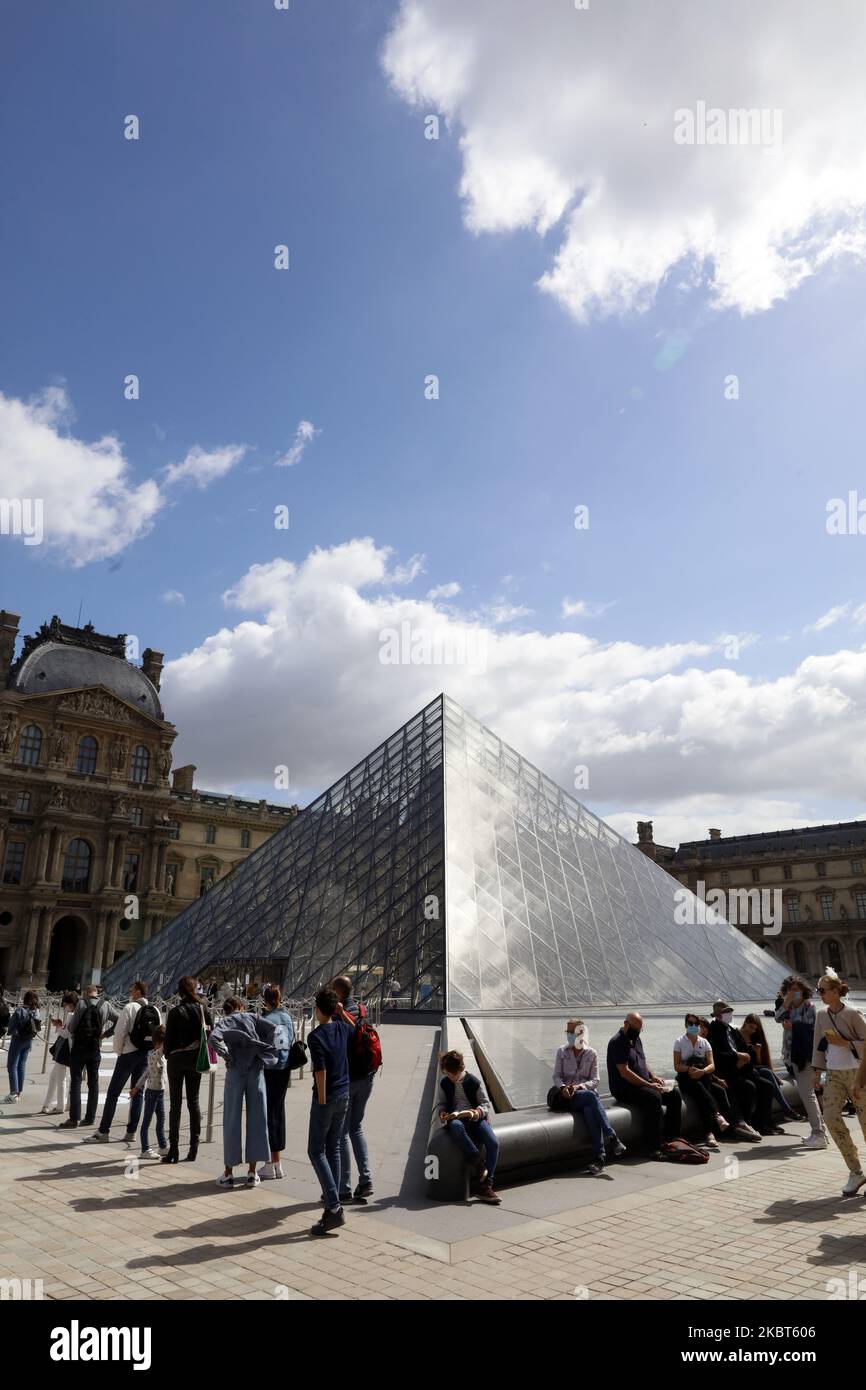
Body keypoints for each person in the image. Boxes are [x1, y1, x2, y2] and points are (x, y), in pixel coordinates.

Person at [209, 997, 276, 1188]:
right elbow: (272, 1029)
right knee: (257, 1119)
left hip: (235, 1070)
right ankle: (252, 1172)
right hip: (255, 1069)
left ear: (226, 1010)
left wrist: (227, 1056)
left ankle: (229, 1173)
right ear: (242, 1006)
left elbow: (213, 1038)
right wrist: (264, 1050)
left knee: (231, 1120)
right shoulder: (254, 1017)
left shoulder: (226, 1021)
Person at [83, 981, 158, 1146]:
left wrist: (119, 1051)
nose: (130, 991)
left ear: (138, 991)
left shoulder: (130, 1008)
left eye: (132, 989)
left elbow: (119, 1032)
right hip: (145, 1054)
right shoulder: (155, 1010)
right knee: (138, 1093)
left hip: (128, 1055)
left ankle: (103, 1131)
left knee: (113, 1093)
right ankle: (131, 1132)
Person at [812, 969, 866, 1196]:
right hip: (833, 1074)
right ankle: (856, 1170)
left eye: (823, 990)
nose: (820, 994)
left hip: (857, 1074)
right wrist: (817, 1071)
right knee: (831, 1118)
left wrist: (845, 1043)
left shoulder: (853, 1014)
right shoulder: (821, 1015)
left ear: (836, 991)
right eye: (818, 990)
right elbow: (818, 1043)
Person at [550, 1019, 626, 1174]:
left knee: (589, 1109)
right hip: (566, 1098)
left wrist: (578, 1087)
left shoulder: (591, 1053)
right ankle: (612, 1137)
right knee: (591, 1098)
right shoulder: (562, 1051)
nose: (569, 1035)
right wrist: (563, 1088)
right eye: (568, 1032)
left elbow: (595, 1080)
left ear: (581, 1033)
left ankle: (600, 1158)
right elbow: (556, 1076)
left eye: (572, 1032)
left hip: (582, 1095)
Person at [307, 986, 354, 1235]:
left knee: (315, 1150)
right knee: (333, 1147)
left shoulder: (315, 1037)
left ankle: (334, 1206)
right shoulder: (341, 1027)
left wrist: (322, 1100)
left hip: (327, 1097)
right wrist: (342, 1012)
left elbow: (320, 1071)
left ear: (317, 1009)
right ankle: (331, 1201)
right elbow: (355, 1028)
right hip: (345, 1094)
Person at [606, 1012, 684, 1157]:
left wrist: (653, 1077)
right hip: (625, 1088)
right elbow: (625, 1072)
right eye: (635, 1029)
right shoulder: (617, 1042)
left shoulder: (636, 1039)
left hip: (641, 1083)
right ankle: (653, 1146)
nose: (637, 1032)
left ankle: (672, 1137)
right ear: (626, 1024)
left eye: (640, 1029)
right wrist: (649, 1085)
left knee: (674, 1094)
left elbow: (642, 1061)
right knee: (653, 1097)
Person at [332, 974, 378, 1202]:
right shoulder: (361, 1009)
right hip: (367, 1077)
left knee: (340, 1134)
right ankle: (366, 1179)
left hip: (348, 1079)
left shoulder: (339, 1015)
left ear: (339, 993)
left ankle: (344, 1188)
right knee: (356, 1127)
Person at [438, 1049, 501, 1203]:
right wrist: (442, 1112)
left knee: (493, 1143)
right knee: (455, 1126)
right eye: (447, 1074)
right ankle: (478, 1163)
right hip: (457, 1118)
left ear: (461, 1068)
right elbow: (441, 1103)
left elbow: (486, 1103)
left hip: (475, 1118)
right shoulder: (445, 1082)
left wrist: (477, 1112)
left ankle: (486, 1185)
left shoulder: (473, 1081)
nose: (451, 1078)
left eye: (454, 1074)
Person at [162, 976, 213, 1164]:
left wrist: (168, 1055)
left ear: (180, 991)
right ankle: (193, 1149)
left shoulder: (175, 1011)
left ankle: (173, 1150)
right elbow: (210, 1033)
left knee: (175, 1104)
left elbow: (168, 1040)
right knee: (194, 1101)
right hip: (195, 1059)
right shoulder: (203, 1009)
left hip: (176, 1059)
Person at [708, 1000, 777, 1137]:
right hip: (727, 1071)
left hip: (742, 1069)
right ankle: (745, 1122)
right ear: (718, 1015)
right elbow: (716, 1054)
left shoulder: (731, 1030)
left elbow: (744, 1048)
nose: (729, 1014)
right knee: (748, 1087)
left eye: (730, 1012)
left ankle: (761, 1123)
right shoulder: (714, 1030)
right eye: (726, 1012)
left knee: (767, 1086)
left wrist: (748, 1054)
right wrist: (736, 1056)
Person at [775, 978, 827, 1149]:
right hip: (792, 1055)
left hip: (805, 1056)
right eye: (790, 989)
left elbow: (811, 1029)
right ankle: (819, 1132)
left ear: (803, 991)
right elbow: (777, 1018)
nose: (793, 992)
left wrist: (793, 1028)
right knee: (808, 1094)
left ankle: (819, 1133)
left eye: (796, 989)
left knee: (807, 1094)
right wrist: (786, 1002)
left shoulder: (809, 1007)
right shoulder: (788, 1007)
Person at [59, 986, 118, 1130]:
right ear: (97, 993)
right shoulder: (106, 1005)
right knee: (93, 1083)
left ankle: (74, 1119)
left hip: (79, 1048)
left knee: (76, 1082)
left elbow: (71, 1028)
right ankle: (90, 1117)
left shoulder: (81, 1004)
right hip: (94, 1048)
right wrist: (105, 1034)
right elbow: (119, 1021)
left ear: (86, 993)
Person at [256, 984, 295, 1180]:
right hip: (284, 1070)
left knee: (267, 1115)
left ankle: (269, 1164)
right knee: (278, 1113)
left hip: (269, 1071)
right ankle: (278, 1162)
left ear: (264, 999)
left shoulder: (265, 1019)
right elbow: (291, 1040)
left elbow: (259, 1047)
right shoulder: (287, 1017)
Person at [740, 1014, 800, 1124]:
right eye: (750, 1027)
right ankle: (787, 1110)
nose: (752, 1031)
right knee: (766, 1075)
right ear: (745, 1024)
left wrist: (757, 1052)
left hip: (754, 1069)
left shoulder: (755, 1038)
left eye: (754, 1029)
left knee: (767, 1073)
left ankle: (786, 1111)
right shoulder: (738, 1036)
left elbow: (758, 1062)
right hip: (745, 1070)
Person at [130, 1024, 169, 1158]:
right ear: (160, 1042)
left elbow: (146, 1073)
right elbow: (147, 1072)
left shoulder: (159, 1055)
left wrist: (136, 1087)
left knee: (161, 1119)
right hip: (152, 1092)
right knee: (147, 1121)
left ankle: (163, 1146)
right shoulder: (154, 1055)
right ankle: (145, 1149)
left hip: (160, 1092)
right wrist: (137, 1087)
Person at [42, 990, 78, 1114]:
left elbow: (66, 1034)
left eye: (65, 1004)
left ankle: (60, 1106)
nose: (64, 1006)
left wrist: (57, 1026)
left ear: (71, 1004)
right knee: (57, 1077)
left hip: (65, 1050)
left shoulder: (72, 1015)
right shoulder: (78, 1013)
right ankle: (54, 1104)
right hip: (71, 1050)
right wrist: (60, 1025)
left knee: (60, 1078)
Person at [4, 991, 42, 1102]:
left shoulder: (20, 1010)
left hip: (18, 1040)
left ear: (24, 999)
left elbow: (10, 1026)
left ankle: (13, 1093)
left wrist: (12, 1031)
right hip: (29, 1040)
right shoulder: (36, 1011)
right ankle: (19, 1091)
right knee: (21, 1065)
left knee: (11, 1066)